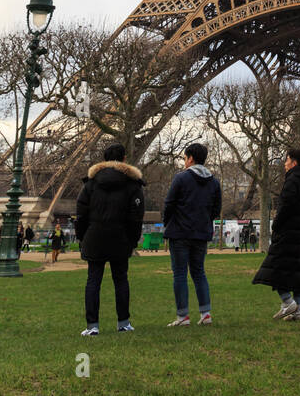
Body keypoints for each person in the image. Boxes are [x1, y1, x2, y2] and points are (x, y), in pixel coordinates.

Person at [75, 142, 145, 336]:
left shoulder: (89, 184)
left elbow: (81, 214)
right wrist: (132, 240)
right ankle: (123, 322)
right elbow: (136, 217)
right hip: (121, 237)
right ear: (124, 159)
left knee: (93, 281)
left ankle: (92, 326)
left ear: (104, 160)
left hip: (94, 236)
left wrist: (83, 237)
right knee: (121, 280)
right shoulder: (133, 185)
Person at [162, 141, 222, 327]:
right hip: (201, 233)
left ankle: (183, 316)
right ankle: (205, 313)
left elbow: (169, 204)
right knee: (199, 272)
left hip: (180, 233)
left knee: (179, 274)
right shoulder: (214, 182)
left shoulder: (181, 179)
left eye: (185, 158)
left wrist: (168, 223)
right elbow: (216, 208)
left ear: (190, 158)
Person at [252, 147, 300, 321]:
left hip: (288, 232)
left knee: (275, 268)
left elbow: (286, 207)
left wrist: (276, 225)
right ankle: (298, 309)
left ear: (293, 162)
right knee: (297, 271)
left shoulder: (292, 180)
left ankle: (288, 302)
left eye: (286, 160)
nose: (285, 164)